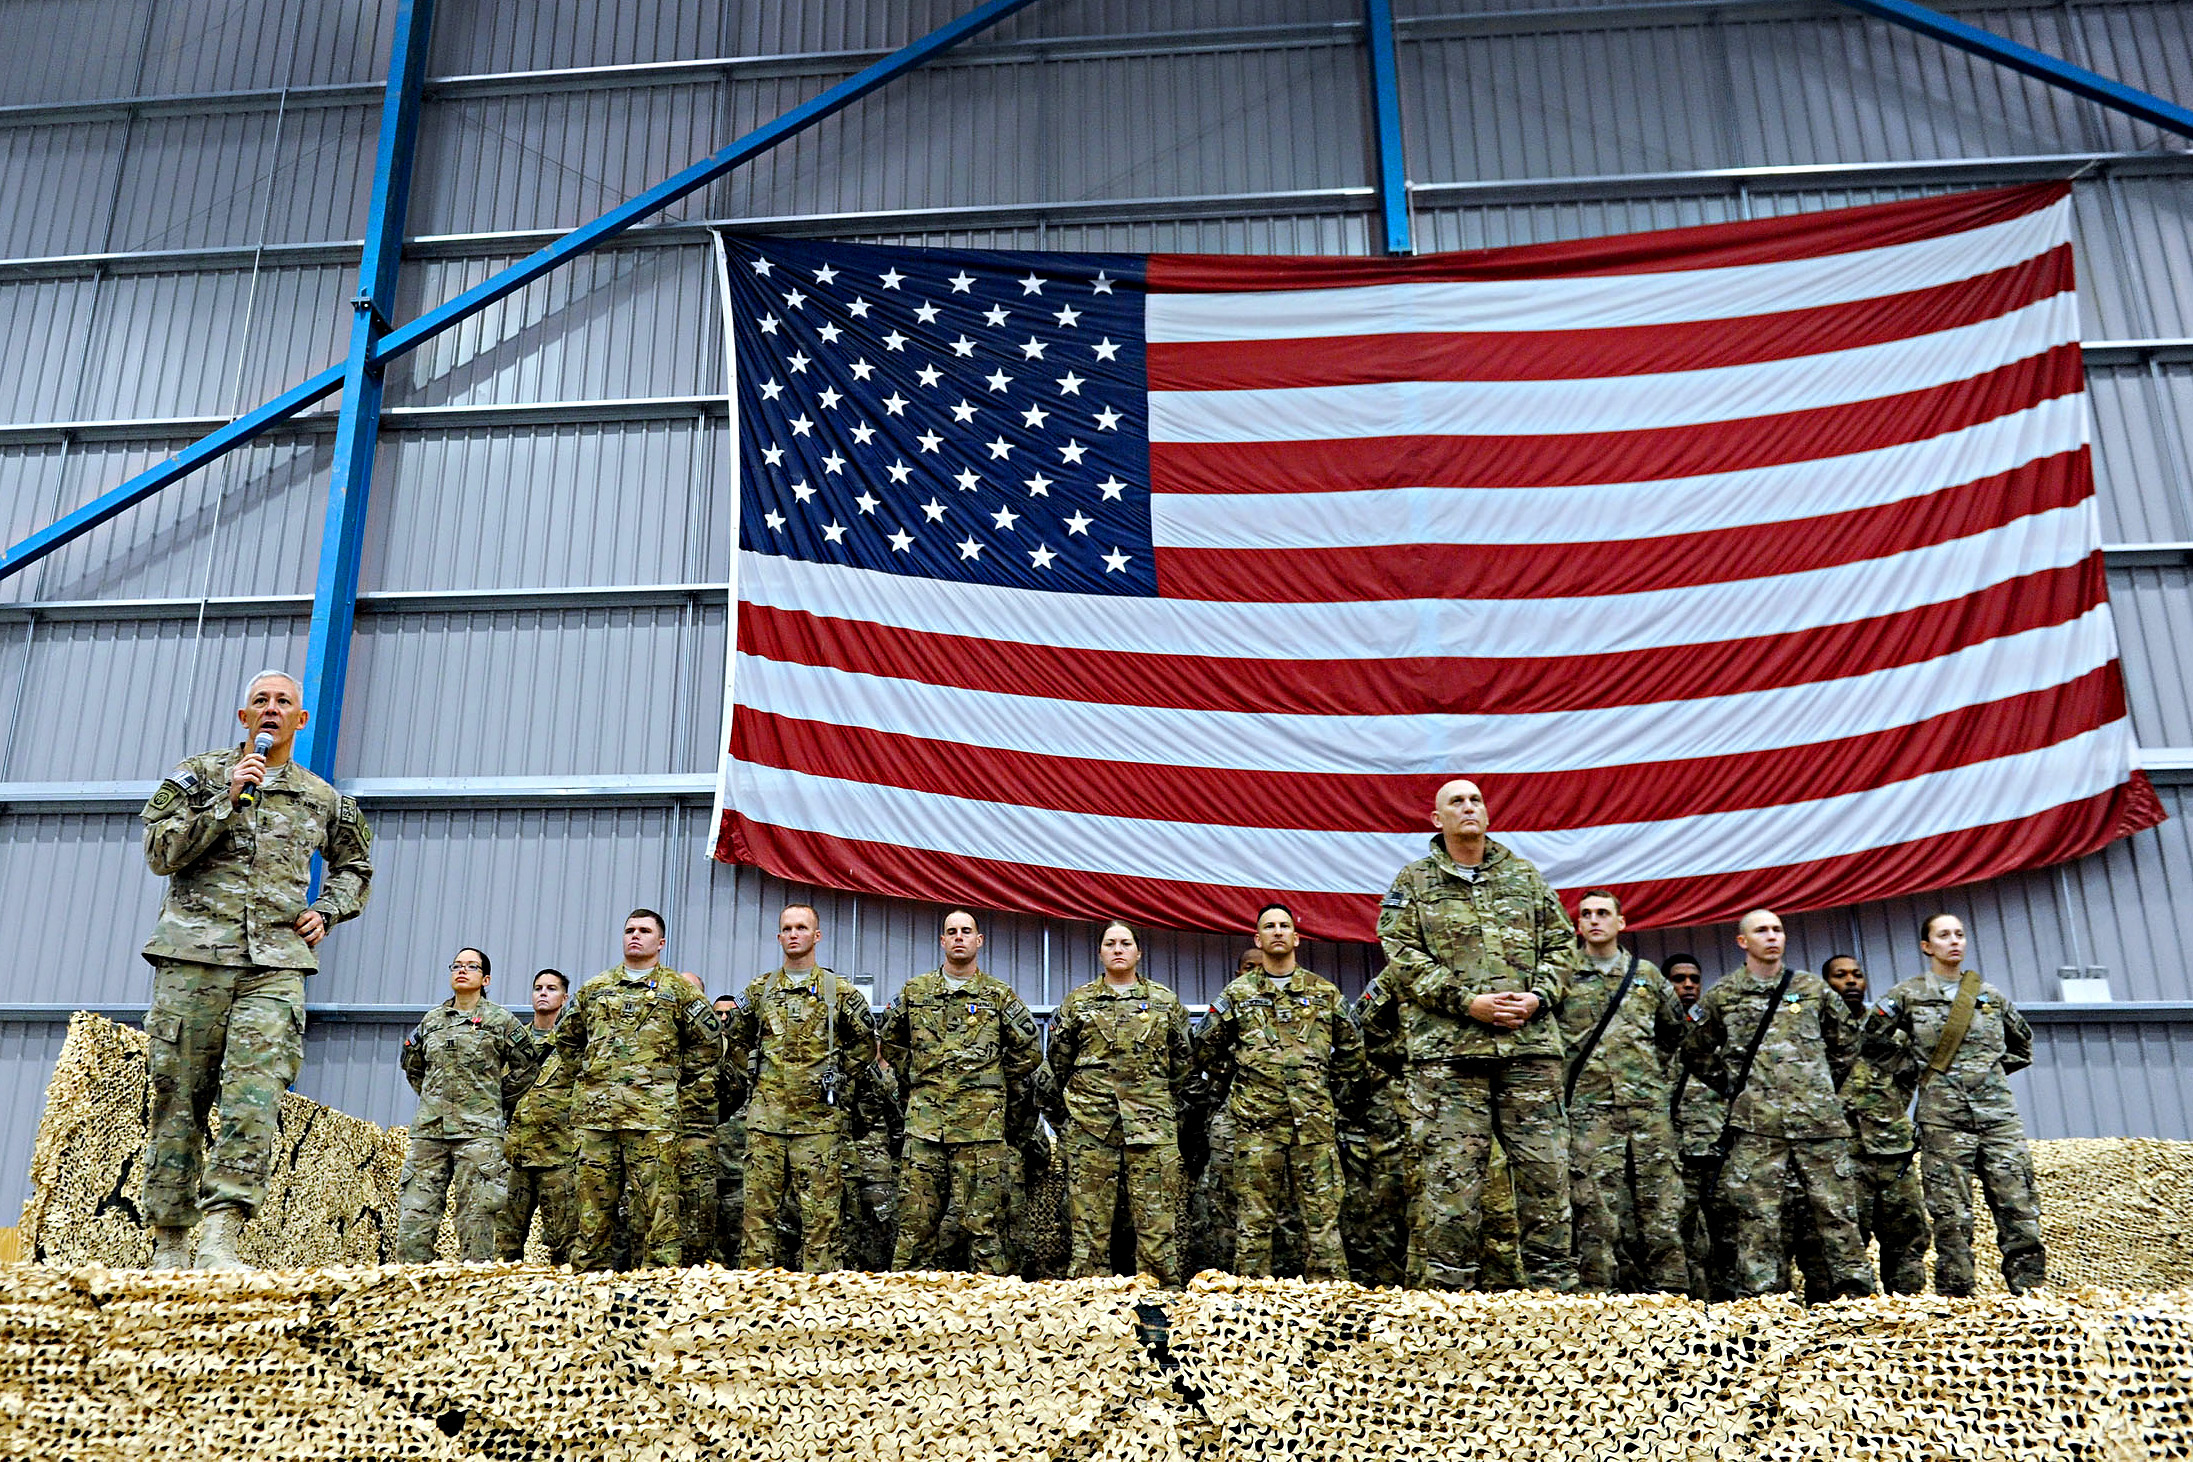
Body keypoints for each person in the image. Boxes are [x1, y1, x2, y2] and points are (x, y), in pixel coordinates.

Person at [137, 669, 374, 1270]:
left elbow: (357, 864)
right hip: (192, 960)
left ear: (300, 720)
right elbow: (159, 854)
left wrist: (329, 910)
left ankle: (220, 1237)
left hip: (274, 965)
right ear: (244, 719)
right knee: (178, 1097)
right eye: (260, 702)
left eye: (283, 703)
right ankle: (169, 1241)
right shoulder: (199, 776)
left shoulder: (323, 799)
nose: (271, 710)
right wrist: (225, 802)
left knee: (254, 1097)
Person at [1378, 778, 1577, 1292]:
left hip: (1528, 1049)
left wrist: (1538, 997)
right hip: (1450, 1056)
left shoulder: (1524, 876)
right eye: (1456, 802)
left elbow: (1561, 945)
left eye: (1476, 800)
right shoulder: (1413, 883)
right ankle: (1449, 1303)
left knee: (1546, 1175)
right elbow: (1402, 957)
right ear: (1436, 819)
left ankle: (1556, 1299)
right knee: (1451, 1182)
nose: (1469, 808)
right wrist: (1468, 1004)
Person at [1682, 909, 1875, 1301]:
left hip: (1819, 1128)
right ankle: (1764, 1309)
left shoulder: (1812, 989)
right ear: (1743, 941)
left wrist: (1818, 1087)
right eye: (1762, 931)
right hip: (1757, 1129)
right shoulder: (1724, 994)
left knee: (1838, 1218)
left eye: (1778, 930)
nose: (1772, 937)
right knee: (1757, 1223)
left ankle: (1856, 1305)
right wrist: (1737, 1088)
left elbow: (1847, 1044)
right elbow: (1695, 1051)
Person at [1873, 914, 2046, 1295]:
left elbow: (2022, 1046)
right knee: (1951, 1217)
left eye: (1960, 934)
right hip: (1943, 1122)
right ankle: (1956, 1298)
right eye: (1943, 935)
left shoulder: (1990, 997)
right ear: (1926, 946)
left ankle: (2031, 1296)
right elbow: (1870, 1041)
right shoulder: (1907, 994)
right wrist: (1911, 1067)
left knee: (2019, 1210)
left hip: (1998, 1121)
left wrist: (1986, 1075)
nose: (1954, 941)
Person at [1193, 904, 1366, 1280]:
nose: (1277, 932)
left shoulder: (1324, 992)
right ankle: (1252, 1312)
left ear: (1296, 938)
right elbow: (1204, 1048)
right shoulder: (1238, 994)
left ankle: (1331, 1306)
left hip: (1313, 1124)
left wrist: (1320, 1084)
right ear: (1258, 938)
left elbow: (1354, 1051)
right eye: (1268, 926)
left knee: (1323, 1222)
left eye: (1284, 926)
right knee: (1254, 1222)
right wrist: (1244, 1073)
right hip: (1257, 1124)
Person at [549, 909, 719, 1270]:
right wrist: (595, 1076)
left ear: (660, 942)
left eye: (644, 931)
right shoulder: (596, 989)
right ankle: (587, 1289)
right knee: (592, 1212)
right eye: (629, 930)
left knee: (659, 1210)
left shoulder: (679, 991)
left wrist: (667, 1083)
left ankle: (660, 1288)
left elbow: (708, 1045)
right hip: (598, 1120)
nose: (635, 936)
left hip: (652, 1119)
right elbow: (566, 1039)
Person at [881, 909, 1043, 1274]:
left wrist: (989, 1082)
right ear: (942, 941)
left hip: (980, 1133)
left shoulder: (998, 996)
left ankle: (992, 1319)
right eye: (951, 932)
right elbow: (891, 1044)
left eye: (966, 931)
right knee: (914, 1231)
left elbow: (1029, 1051)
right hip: (925, 1128)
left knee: (983, 1230)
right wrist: (921, 1080)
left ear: (978, 941)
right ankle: (903, 1316)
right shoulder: (915, 992)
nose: (958, 937)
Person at [722, 904, 877, 1272]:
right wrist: (758, 1078)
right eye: (787, 928)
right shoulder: (760, 990)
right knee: (758, 1218)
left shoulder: (838, 992)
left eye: (802, 928)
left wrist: (838, 1078)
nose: (794, 934)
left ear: (816, 936)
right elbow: (736, 1040)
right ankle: (755, 1299)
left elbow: (865, 1044)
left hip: (819, 1125)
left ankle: (817, 1303)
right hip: (766, 1124)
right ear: (779, 937)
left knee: (821, 1220)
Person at [1044, 921, 1194, 1286]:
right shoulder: (1078, 1002)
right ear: (1100, 952)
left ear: (1138, 952)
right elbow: (1057, 1066)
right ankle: (1089, 1311)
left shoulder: (1163, 1001)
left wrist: (1156, 1105)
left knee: (1157, 1228)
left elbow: (1183, 1065)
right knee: (1089, 1233)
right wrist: (1071, 1119)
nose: (1118, 949)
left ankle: (1158, 1308)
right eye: (1110, 943)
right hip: (1091, 1127)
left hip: (1151, 1127)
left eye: (1125, 943)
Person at [1561, 892, 1688, 1293]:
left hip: (1646, 1110)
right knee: (1593, 1209)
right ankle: (1597, 1300)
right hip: (1588, 1109)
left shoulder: (1647, 976)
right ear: (1577, 925)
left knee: (1662, 1206)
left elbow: (1672, 1032)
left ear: (1621, 922)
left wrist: (1645, 1076)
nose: (1594, 921)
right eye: (1586, 915)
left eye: (1603, 913)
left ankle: (1672, 1300)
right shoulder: (1561, 974)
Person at [1798, 954, 1930, 1296]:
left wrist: (1887, 1115)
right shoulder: (1811, 1036)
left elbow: (1907, 1079)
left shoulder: (1889, 1034)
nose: (1851, 981)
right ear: (1827, 985)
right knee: (1835, 1243)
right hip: (1839, 1156)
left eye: (1857, 974)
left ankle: (1909, 1318)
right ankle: (1839, 1319)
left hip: (1891, 1153)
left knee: (1907, 1241)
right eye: (1840, 976)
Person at [397, 948, 537, 1261]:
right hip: (429, 1133)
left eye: (471, 966)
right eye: (457, 965)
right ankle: (412, 1282)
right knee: (415, 1215)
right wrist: (434, 1098)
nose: (462, 970)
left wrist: (495, 1101)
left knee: (477, 1214)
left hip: (478, 1134)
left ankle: (475, 1286)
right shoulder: (432, 1021)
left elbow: (526, 1067)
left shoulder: (500, 1021)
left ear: (485, 979)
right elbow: (412, 1064)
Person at [1184, 946, 1261, 1277]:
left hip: (1278, 1121)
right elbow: (1197, 1056)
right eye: (1248, 966)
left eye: (1260, 966)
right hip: (1227, 1118)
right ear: (1238, 971)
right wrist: (1222, 1084)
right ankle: (1220, 1272)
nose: (1254, 971)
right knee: (1222, 1195)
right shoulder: (1227, 1008)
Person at [499, 969, 576, 1263]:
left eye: (551, 988)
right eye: (538, 988)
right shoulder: (515, 1042)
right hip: (515, 1154)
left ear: (564, 997)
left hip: (557, 1156)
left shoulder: (573, 1043)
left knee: (563, 1242)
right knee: (506, 1241)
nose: (543, 993)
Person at [1341, 966, 1409, 1288]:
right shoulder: (1394, 976)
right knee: (1384, 1208)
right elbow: (1362, 1027)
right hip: (1389, 1117)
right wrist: (1406, 1055)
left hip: (1447, 1107)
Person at [1664, 954, 1727, 1299]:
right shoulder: (1655, 1031)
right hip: (1676, 1151)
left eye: (1693, 979)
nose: (1688, 985)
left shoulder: (1715, 1030)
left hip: (1718, 1150)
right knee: (1681, 1237)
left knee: (1727, 1237)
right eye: (1679, 979)